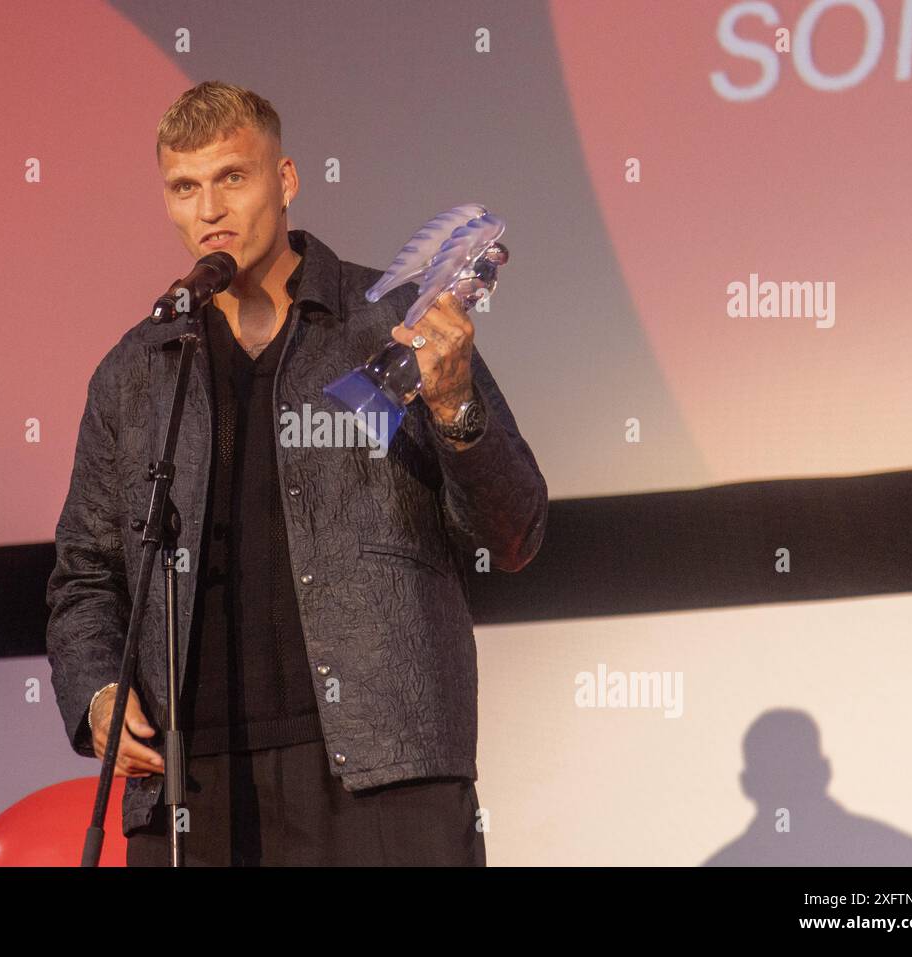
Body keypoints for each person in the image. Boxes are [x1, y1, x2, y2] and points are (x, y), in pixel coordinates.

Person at [45, 80, 547, 866]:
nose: (209, 209)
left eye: (232, 178)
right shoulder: (134, 372)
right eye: (185, 187)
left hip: (385, 775)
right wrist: (98, 692)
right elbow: (84, 576)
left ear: (284, 181)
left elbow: (513, 531)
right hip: (194, 796)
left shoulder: (393, 322)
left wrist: (452, 404)